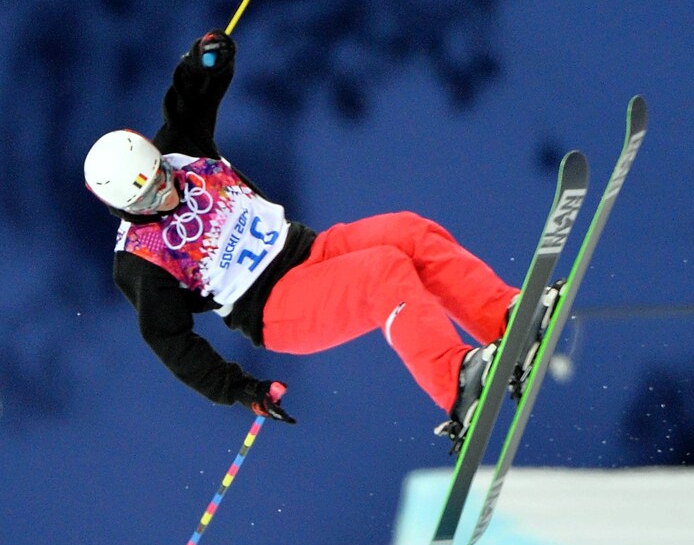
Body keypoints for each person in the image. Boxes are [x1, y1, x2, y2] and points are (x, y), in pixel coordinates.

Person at [84, 30, 558, 449]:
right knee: (382, 273)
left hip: (309, 249)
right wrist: (240, 388)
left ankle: (505, 320)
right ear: (125, 207)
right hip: (273, 305)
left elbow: (191, 98)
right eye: (150, 197)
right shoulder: (140, 260)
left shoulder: (180, 150)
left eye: (162, 176)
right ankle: (456, 384)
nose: (167, 193)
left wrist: (206, 61)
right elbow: (170, 340)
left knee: (407, 233)